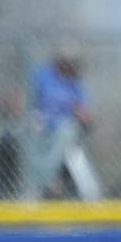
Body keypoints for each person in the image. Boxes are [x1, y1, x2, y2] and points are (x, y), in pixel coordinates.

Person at [21, 45, 96, 201]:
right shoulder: (41, 75)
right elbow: (22, 98)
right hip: (37, 124)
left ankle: (38, 184)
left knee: (65, 133)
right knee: (32, 136)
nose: (70, 66)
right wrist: (30, 114)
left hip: (61, 129)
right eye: (67, 62)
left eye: (73, 63)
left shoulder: (76, 85)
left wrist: (78, 111)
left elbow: (87, 115)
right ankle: (42, 182)